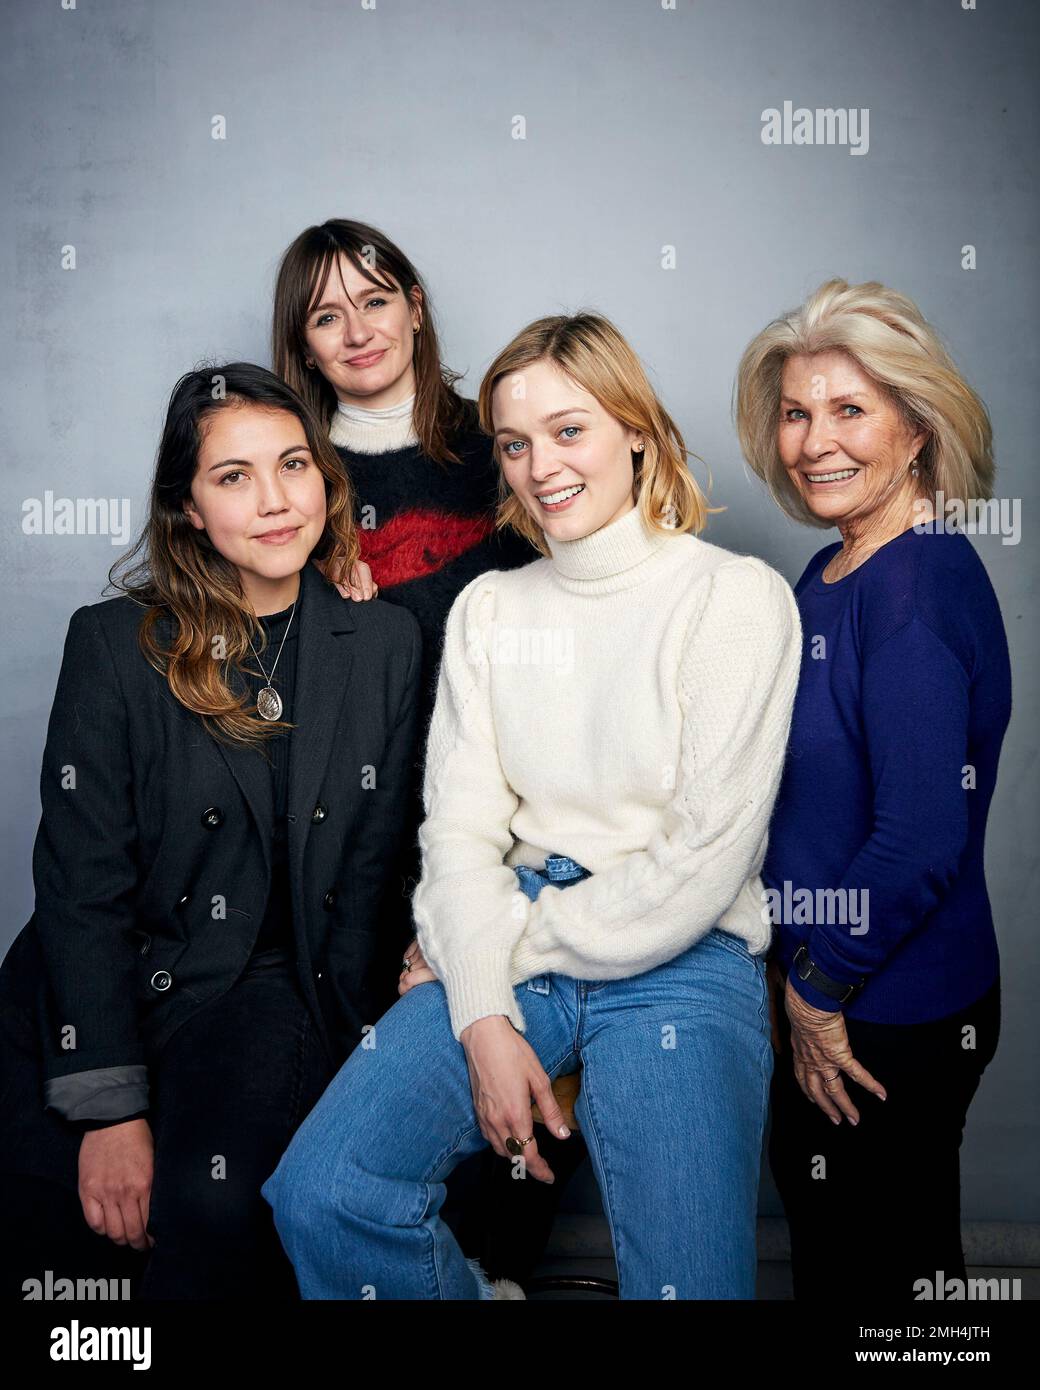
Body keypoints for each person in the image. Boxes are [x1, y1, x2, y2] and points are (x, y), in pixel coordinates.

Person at [262, 311, 802, 1300]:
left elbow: (696, 865)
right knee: (325, 1190)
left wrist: (496, 959)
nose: (538, 464)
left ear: (634, 430)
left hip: (677, 963)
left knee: (691, 1287)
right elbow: (457, 836)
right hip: (515, 940)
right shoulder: (491, 610)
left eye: (568, 430)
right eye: (513, 443)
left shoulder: (737, 598)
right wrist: (481, 1013)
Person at [0, 363, 421, 1299]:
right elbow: (80, 885)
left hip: (266, 990)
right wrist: (108, 1106)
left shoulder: (384, 643)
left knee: (215, 1211)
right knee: (63, 1235)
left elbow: (379, 862)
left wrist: (377, 1031)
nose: (276, 501)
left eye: (295, 465)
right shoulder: (113, 644)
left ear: (326, 479)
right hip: (101, 986)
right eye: (233, 477)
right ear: (187, 507)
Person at [271, 218, 554, 1270]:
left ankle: (500, 1279)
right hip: (353, 838)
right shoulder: (293, 475)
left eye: (376, 300)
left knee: (505, 1073)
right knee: (361, 1095)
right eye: (325, 315)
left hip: (504, 823)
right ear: (301, 343)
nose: (357, 331)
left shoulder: (503, 446)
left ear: (416, 305)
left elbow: (583, 605)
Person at [735, 278, 1011, 1300]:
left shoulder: (906, 597)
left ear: (915, 427)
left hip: (882, 1004)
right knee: (865, 1259)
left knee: (879, 1283)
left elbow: (918, 839)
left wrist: (813, 992)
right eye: (797, 412)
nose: (814, 441)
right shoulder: (837, 566)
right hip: (847, 977)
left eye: (849, 410)